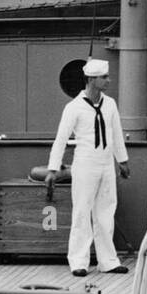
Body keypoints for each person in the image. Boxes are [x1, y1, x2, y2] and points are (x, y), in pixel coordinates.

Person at [44, 58, 130, 276]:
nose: (108, 81)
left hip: (106, 164)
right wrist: (52, 169)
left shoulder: (110, 104)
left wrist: (122, 160)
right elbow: (61, 139)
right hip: (85, 165)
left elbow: (116, 133)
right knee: (82, 212)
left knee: (105, 213)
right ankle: (78, 261)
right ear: (92, 80)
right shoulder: (73, 107)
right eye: (104, 77)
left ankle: (108, 261)